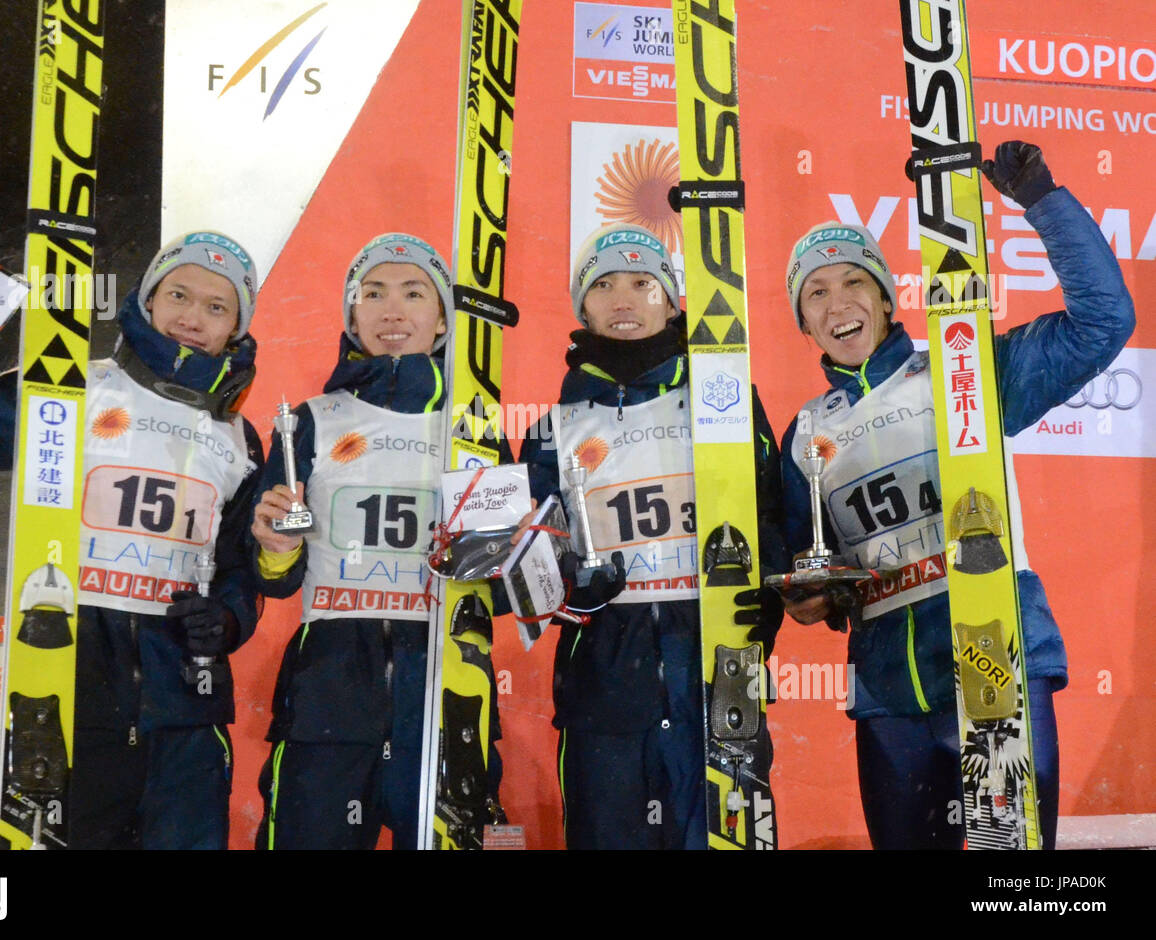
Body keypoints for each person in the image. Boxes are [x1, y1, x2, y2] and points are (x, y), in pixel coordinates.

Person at [778, 141, 1135, 849]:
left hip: (992, 654)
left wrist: (1044, 203)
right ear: (803, 321)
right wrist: (813, 599)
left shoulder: (962, 369)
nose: (837, 303)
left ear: (884, 296)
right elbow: (807, 565)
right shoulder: (806, 434)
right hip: (890, 695)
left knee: (1008, 877)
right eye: (815, 293)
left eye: (853, 282)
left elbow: (1104, 322)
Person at [0, 231, 266, 849]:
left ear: (237, 327)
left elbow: (241, 570)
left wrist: (229, 619)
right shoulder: (71, 390)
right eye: (179, 294)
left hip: (185, 714)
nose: (193, 317)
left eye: (217, 307)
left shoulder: (241, 439)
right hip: (70, 699)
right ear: (147, 299)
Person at [516, 222, 786, 849]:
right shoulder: (551, 430)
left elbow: (771, 514)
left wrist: (766, 595)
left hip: (716, 668)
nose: (624, 300)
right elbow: (525, 568)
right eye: (604, 285)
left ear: (671, 299)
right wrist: (562, 592)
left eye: (643, 283)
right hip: (604, 687)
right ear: (582, 306)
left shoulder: (725, 401)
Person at [250, 232, 509, 850]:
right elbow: (274, 577)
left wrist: (501, 559)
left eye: (413, 292)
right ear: (352, 314)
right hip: (331, 687)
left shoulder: (477, 427)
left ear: (443, 319)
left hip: (448, 686)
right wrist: (276, 548)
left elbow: (501, 590)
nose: (392, 311)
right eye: (373, 294)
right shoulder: (310, 421)